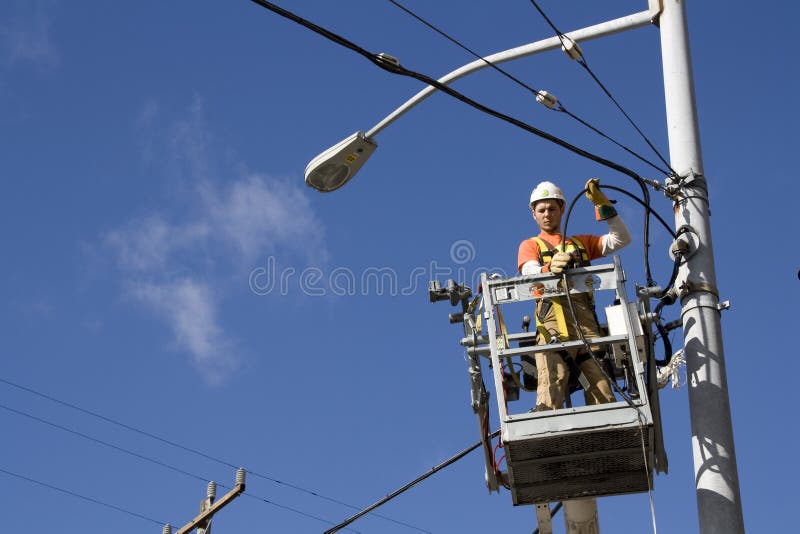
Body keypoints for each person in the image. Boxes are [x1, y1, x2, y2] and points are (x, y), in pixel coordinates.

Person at [517, 178, 632, 411]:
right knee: (553, 380)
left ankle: (605, 432)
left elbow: (621, 239)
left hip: (585, 323)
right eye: (541, 210)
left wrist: (604, 205)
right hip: (552, 322)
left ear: (562, 209)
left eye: (551, 208)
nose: (547, 214)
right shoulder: (531, 245)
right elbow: (528, 271)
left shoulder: (580, 243)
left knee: (602, 390)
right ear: (534, 214)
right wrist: (548, 269)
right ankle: (547, 432)